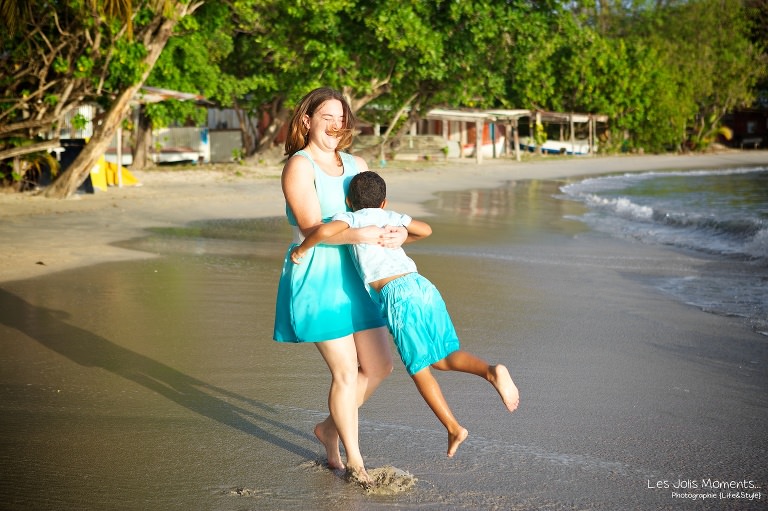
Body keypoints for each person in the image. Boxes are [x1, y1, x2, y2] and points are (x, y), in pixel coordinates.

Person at [290, 171, 520, 457]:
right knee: (444, 357)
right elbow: (426, 230)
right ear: (384, 202)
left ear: (349, 201)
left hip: (397, 296)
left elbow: (322, 232)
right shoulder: (391, 217)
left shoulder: (352, 218)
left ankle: (453, 427)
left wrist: (302, 249)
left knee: (420, 369)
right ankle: (490, 371)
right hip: (422, 285)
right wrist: (402, 233)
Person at [273, 88, 408, 484]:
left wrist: (395, 233)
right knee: (347, 372)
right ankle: (356, 462)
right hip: (317, 275)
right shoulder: (299, 166)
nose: (335, 124)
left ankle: (329, 428)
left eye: (341, 117)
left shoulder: (357, 163)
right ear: (307, 121)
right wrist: (362, 234)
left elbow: (377, 214)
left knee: (380, 367)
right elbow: (312, 229)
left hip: (358, 274)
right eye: (326, 116)